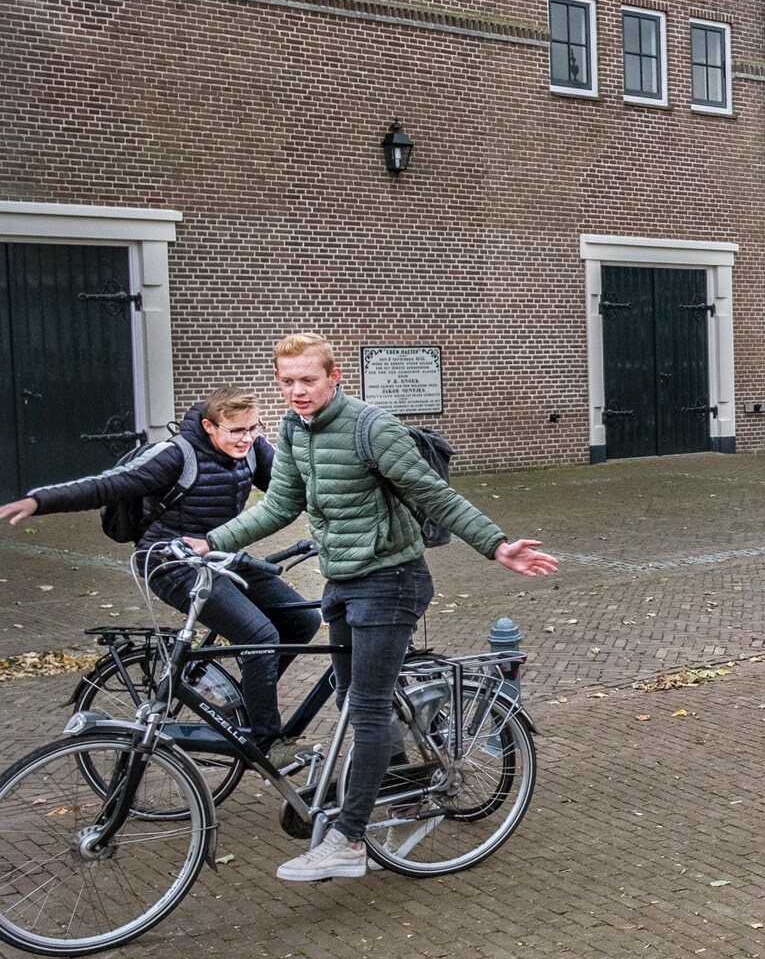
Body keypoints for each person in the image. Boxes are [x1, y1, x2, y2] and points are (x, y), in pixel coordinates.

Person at [195, 333, 560, 883]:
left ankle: (348, 839)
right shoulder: (295, 429)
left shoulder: (372, 427)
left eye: (308, 379)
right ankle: (399, 786)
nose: (297, 390)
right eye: (288, 381)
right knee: (354, 700)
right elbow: (280, 505)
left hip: (391, 582)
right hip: (342, 582)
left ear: (333, 377)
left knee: (364, 709)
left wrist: (496, 545)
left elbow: (434, 494)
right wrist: (210, 542)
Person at [3, 386, 320, 745]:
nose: (246, 438)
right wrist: (38, 501)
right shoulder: (176, 456)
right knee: (260, 635)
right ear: (209, 426)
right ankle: (267, 741)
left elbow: (297, 491)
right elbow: (106, 486)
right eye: (236, 431)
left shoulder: (253, 451)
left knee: (302, 620)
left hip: (219, 555)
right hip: (170, 564)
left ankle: (246, 699)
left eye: (253, 428)